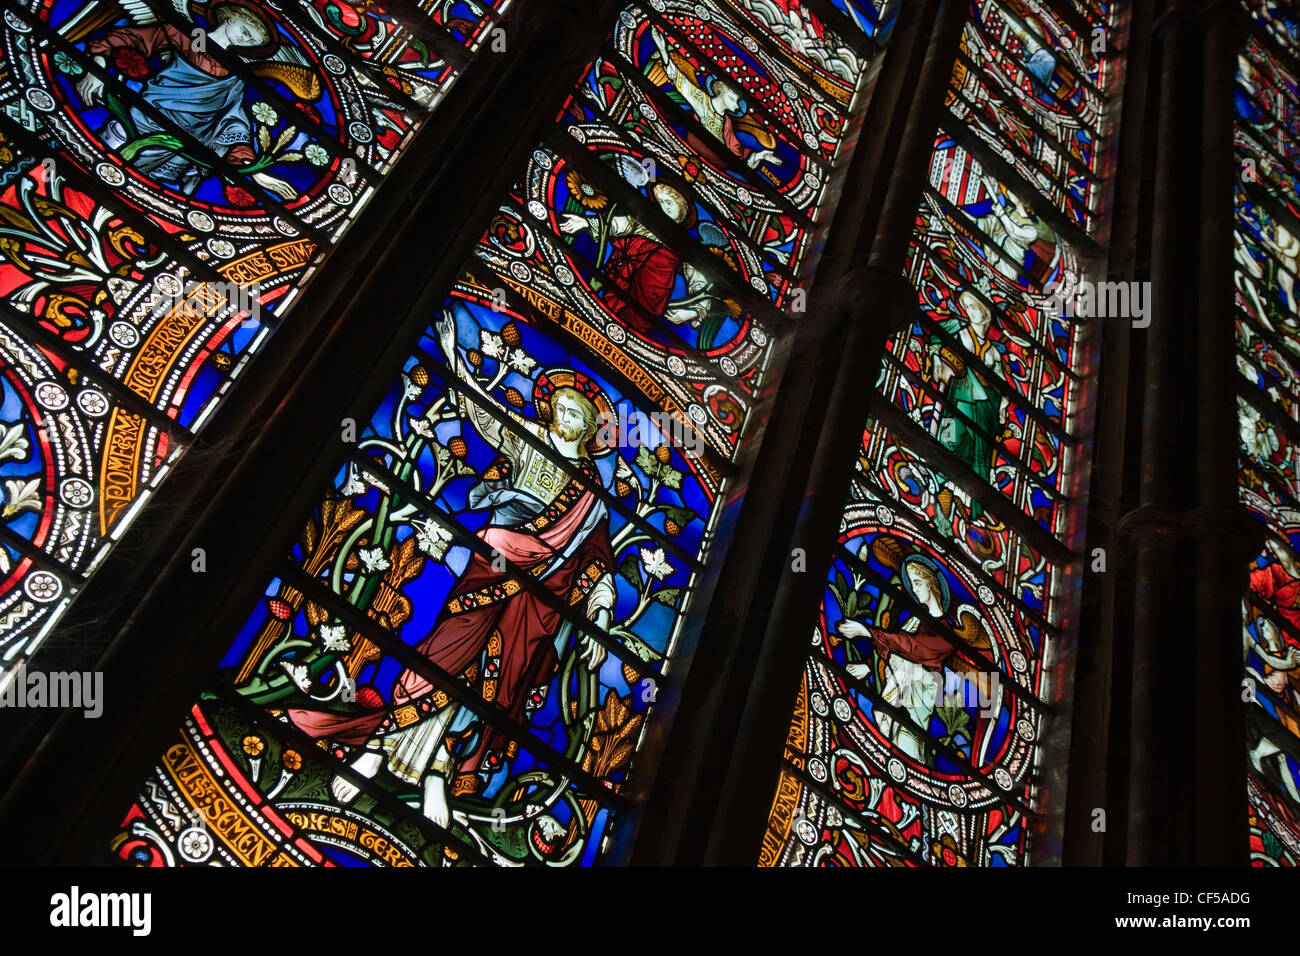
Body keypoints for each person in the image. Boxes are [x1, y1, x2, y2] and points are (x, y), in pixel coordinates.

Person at [291, 310, 620, 826]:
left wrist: (599, 613)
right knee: (446, 650)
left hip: (537, 604)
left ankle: (438, 770)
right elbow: (484, 414)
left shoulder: (593, 499)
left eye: (578, 413)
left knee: (494, 681)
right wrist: (452, 359)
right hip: (493, 566)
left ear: (590, 428)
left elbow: (596, 560)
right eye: (561, 407)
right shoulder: (525, 439)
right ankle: (379, 746)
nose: (567, 416)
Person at [75, 0, 296, 202]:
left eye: (251, 41)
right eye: (245, 31)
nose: (245, 39)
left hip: (181, 146)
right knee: (86, 166)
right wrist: (98, 65)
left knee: (131, 196)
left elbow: (233, 119)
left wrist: (252, 170)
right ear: (229, 19)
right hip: (141, 121)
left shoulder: (236, 77)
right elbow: (130, 38)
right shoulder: (186, 35)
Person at [559, 182, 716, 333]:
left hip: (653, 285)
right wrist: (586, 222)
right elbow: (616, 225)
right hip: (623, 270)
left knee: (636, 319)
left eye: (669, 203)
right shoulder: (643, 220)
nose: (664, 206)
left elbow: (700, 282)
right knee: (611, 305)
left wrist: (693, 312)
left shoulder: (687, 245)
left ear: (683, 210)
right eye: (661, 201)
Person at [648, 26, 780, 171]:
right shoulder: (702, 100)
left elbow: (738, 154)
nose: (738, 102)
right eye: (733, 96)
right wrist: (662, 49)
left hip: (714, 163)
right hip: (688, 152)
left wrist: (760, 156)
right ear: (721, 89)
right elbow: (679, 80)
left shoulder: (727, 123)